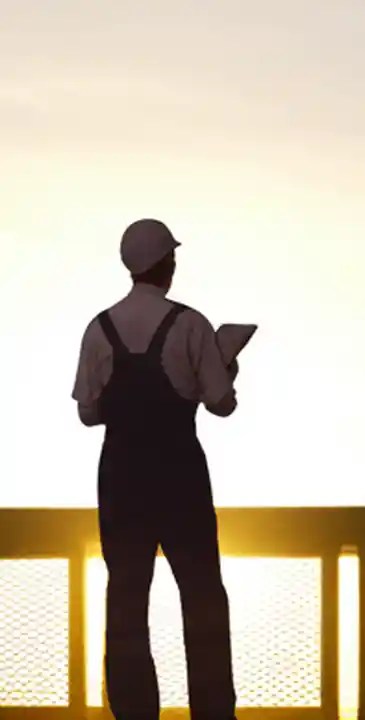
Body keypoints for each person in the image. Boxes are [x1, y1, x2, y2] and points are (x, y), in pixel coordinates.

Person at [72, 218, 239, 720]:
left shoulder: (98, 329)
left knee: (125, 595)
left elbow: (86, 412)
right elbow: (221, 404)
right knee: (202, 593)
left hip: (122, 478)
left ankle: (133, 711)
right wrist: (225, 368)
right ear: (167, 263)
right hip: (179, 476)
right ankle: (211, 711)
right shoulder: (190, 324)